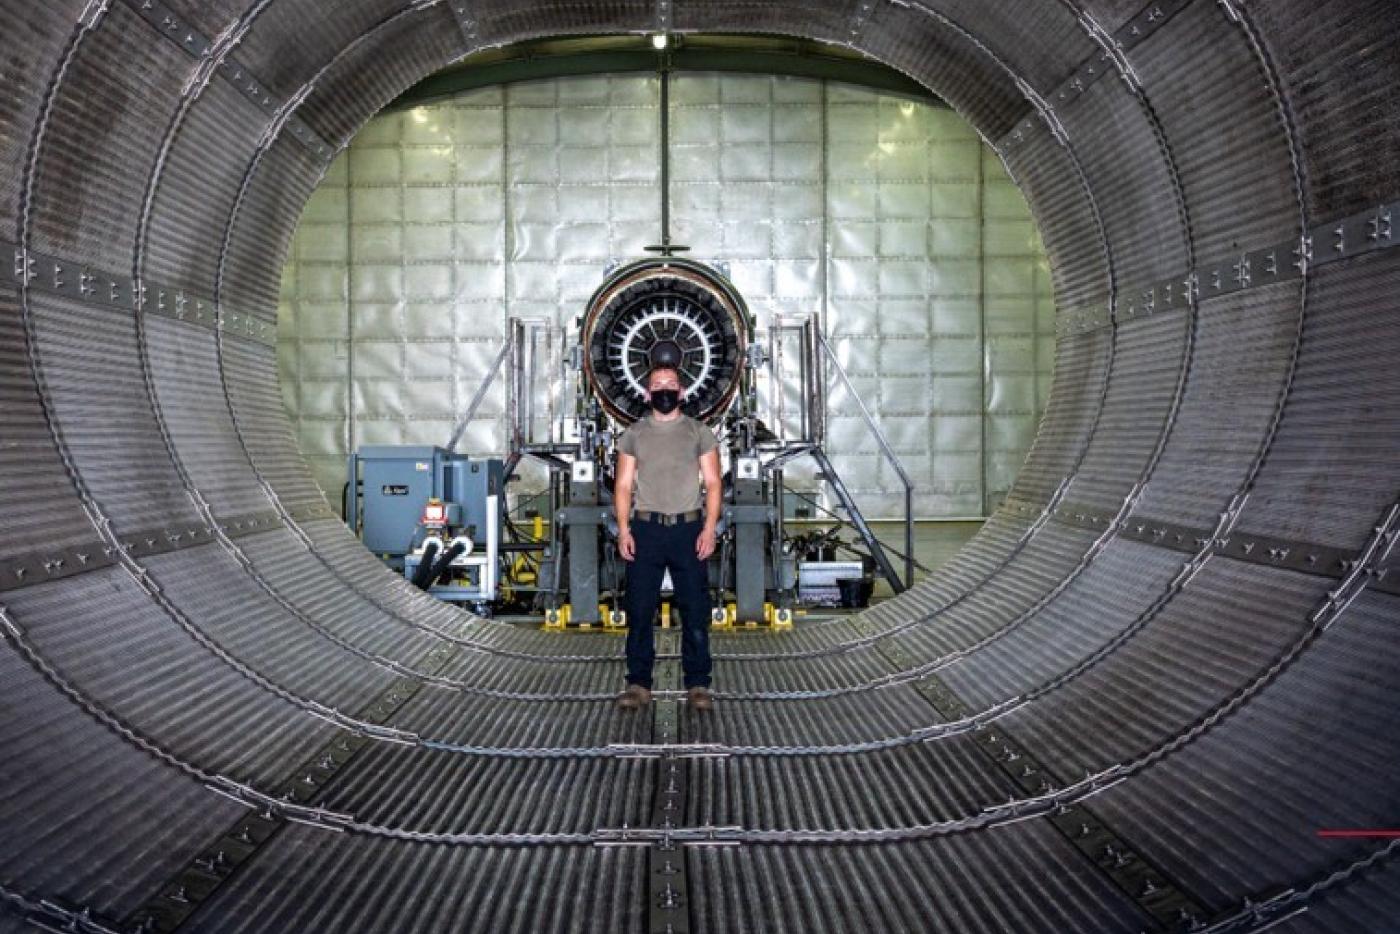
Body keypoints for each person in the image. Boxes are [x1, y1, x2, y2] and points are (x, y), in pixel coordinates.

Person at [613, 365, 722, 711]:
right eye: (657, 385)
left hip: (689, 530)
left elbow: (714, 483)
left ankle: (698, 684)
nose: (664, 390)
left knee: (694, 609)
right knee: (640, 608)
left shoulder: (699, 432)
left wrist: (709, 528)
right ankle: (639, 683)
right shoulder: (634, 435)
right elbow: (624, 485)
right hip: (646, 529)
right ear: (646, 393)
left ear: (682, 391)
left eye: (670, 385)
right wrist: (624, 530)